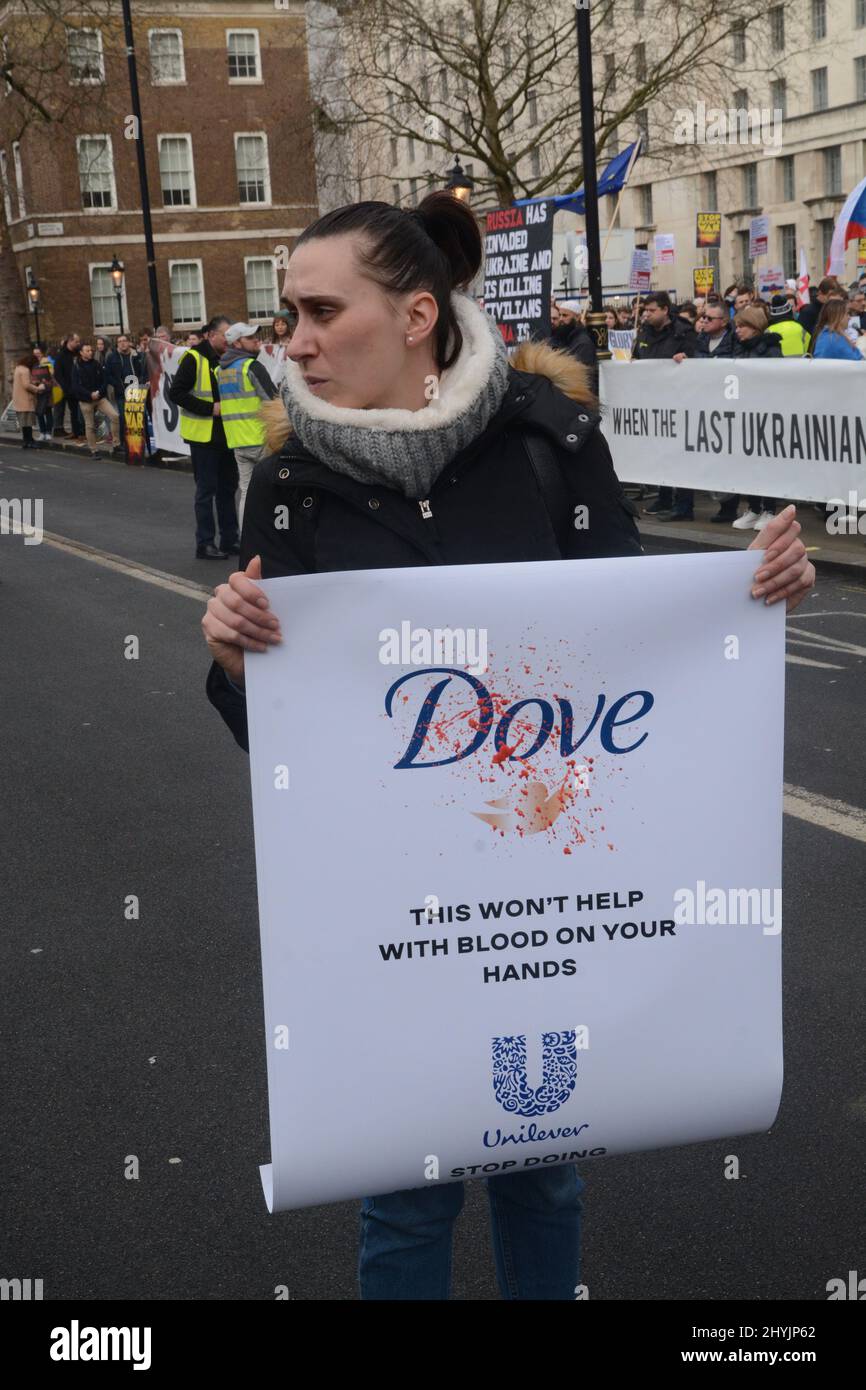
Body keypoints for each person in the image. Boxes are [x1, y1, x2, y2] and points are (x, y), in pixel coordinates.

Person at [199, 194, 815, 1301]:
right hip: (394, 902)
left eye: (319, 310)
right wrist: (239, 663)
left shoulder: (549, 439)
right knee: (404, 1190)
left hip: (547, 892)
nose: (290, 340)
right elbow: (284, 748)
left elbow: (643, 649)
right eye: (287, 313)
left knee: (543, 1172)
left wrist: (749, 599)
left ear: (418, 313)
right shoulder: (286, 482)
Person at [168, 314, 240, 560]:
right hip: (203, 436)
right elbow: (176, 393)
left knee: (228, 490)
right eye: (226, 334)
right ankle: (205, 543)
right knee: (206, 491)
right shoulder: (194, 357)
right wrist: (210, 408)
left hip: (228, 435)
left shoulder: (229, 360)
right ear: (211, 335)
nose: (230, 339)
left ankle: (230, 539)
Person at [635, 292, 697, 519]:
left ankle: (684, 505)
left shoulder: (683, 332)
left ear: (664, 309)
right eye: (645, 310)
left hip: (678, 401)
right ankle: (663, 497)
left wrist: (685, 359)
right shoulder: (644, 332)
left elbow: (695, 359)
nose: (646, 315)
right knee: (659, 451)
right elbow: (638, 355)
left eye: (651, 310)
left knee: (680, 453)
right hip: (653, 401)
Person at [217, 322, 277, 527]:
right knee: (273, 492)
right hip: (261, 439)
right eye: (250, 338)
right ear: (237, 343)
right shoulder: (251, 366)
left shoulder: (220, 370)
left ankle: (248, 541)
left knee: (247, 493)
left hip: (238, 441)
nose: (256, 340)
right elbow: (273, 400)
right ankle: (273, 542)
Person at [70, 341, 119, 456]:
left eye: (91, 350)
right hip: (85, 400)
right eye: (87, 351)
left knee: (115, 416)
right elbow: (76, 386)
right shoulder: (76, 367)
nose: (90, 352)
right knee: (90, 425)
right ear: (81, 353)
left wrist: (99, 392)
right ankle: (94, 450)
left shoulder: (96, 364)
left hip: (100, 398)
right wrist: (89, 394)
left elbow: (105, 379)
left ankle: (116, 444)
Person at [104, 334, 142, 450]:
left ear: (129, 342)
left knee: (135, 418)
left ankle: (136, 443)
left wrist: (140, 383)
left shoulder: (136, 355)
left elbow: (142, 371)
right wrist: (116, 384)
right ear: (117, 344)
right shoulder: (112, 357)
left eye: (124, 340)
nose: (122, 343)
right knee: (123, 418)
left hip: (135, 391)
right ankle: (123, 442)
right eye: (120, 341)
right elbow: (107, 374)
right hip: (121, 392)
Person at [52, 332, 86, 443]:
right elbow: (58, 374)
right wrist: (66, 388)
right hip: (70, 389)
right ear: (70, 341)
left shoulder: (78, 353)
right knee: (74, 412)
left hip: (81, 388)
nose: (78, 343)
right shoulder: (61, 355)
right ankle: (76, 432)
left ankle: (83, 432)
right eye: (76, 342)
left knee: (83, 411)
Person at [12, 353, 41, 448]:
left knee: (24, 423)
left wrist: (32, 382)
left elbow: (23, 382)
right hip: (26, 399)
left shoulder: (18, 368)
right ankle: (30, 441)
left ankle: (25, 441)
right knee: (28, 423)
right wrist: (37, 388)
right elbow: (26, 385)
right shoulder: (26, 370)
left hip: (18, 399)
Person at [30, 346, 55, 440]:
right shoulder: (32, 364)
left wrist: (45, 381)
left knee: (48, 412)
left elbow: (53, 376)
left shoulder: (48, 363)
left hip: (47, 391)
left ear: (42, 354)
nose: (36, 356)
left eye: (38, 354)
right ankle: (42, 432)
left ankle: (48, 432)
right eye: (34, 354)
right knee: (39, 413)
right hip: (38, 392)